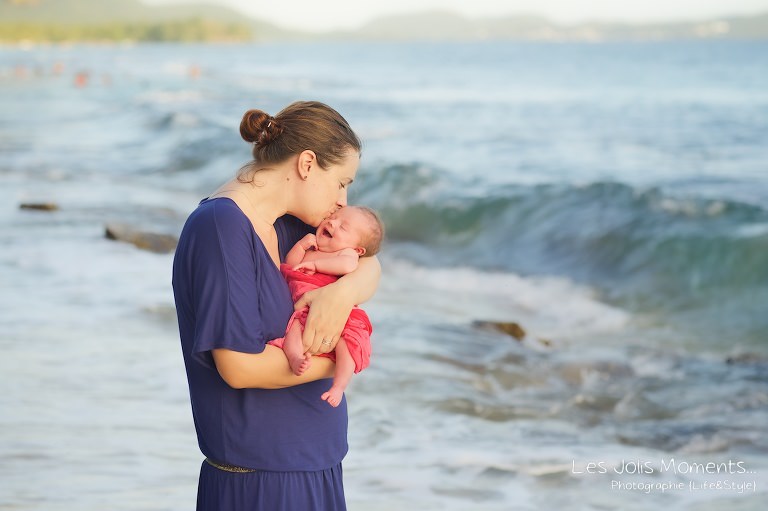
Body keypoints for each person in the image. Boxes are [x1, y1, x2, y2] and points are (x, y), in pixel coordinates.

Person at [172, 101, 381, 511]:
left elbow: (369, 261)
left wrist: (341, 295)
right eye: (341, 182)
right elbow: (239, 367)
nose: (343, 200)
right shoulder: (221, 227)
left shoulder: (291, 222)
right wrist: (343, 362)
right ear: (307, 164)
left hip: (316, 464)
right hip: (259, 480)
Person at [268, 205, 384, 407]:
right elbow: (292, 265)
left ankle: (339, 385)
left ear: (358, 249)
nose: (332, 222)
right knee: (293, 330)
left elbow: (347, 266)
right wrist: (301, 246)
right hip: (305, 306)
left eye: (343, 227)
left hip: (336, 313)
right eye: (334, 217)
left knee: (348, 343)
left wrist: (315, 265)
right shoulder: (312, 248)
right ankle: (295, 359)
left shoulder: (346, 254)